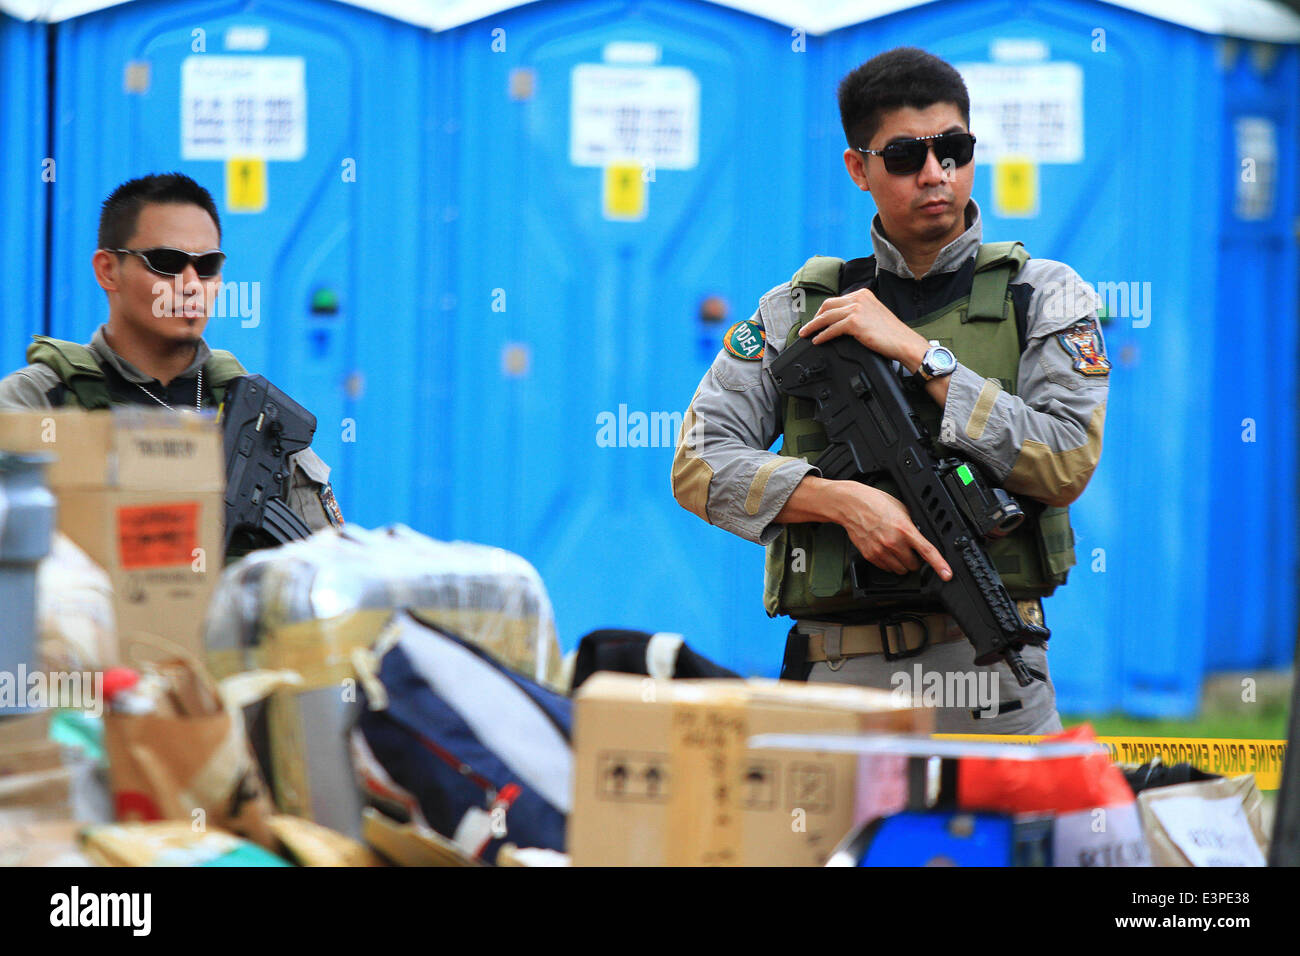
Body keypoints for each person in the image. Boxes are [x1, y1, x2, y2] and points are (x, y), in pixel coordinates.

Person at [670, 48, 1109, 733]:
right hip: (839, 675)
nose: (936, 173)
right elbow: (699, 462)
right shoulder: (797, 309)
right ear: (859, 168)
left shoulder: (1043, 295)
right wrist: (843, 503)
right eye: (905, 156)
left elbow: (1066, 460)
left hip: (992, 680)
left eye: (954, 150)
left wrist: (923, 356)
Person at [0, 172, 344, 549]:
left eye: (207, 265)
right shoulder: (37, 400)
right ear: (108, 270)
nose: (191, 284)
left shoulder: (257, 415)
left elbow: (326, 559)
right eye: (166, 261)